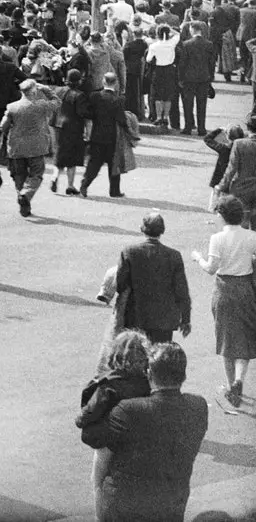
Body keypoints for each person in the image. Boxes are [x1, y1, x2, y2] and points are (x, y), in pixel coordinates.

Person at [80, 342, 208, 522]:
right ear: (184, 374)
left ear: (149, 374)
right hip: (171, 504)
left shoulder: (127, 410)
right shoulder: (199, 406)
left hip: (123, 508)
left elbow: (94, 448)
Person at [190, 194, 256, 407]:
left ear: (222, 215)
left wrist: (198, 258)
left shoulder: (217, 239)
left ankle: (231, 387)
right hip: (246, 289)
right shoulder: (251, 236)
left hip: (224, 291)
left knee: (227, 340)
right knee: (244, 338)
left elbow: (211, 269)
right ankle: (239, 380)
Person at [76, 329, 151, 499]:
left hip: (110, 439)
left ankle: (99, 505)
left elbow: (91, 411)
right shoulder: (147, 382)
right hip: (140, 439)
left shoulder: (109, 385)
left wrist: (80, 420)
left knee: (98, 478)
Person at [112, 210, 192, 344]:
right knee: (158, 357)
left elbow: (120, 284)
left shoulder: (129, 252)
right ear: (162, 230)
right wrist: (186, 320)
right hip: (163, 320)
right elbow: (182, 291)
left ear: (142, 229)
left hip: (135, 317)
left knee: (135, 357)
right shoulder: (174, 256)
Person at [0, 78, 55, 218]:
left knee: (19, 176)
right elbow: (57, 102)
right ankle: (26, 194)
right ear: (34, 91)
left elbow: (2, 126)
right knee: (36, 174)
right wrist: (46, 89)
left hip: (16, 147)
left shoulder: (12, 107)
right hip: (36, 147)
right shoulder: (41, 105)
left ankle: (24, 203)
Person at [81, 74, 129, 198]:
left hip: (96, 135)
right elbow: (121, 119)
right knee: (114, 165)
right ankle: (114, 191)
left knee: (94, 163)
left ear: (103, 81)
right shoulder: (118, 100)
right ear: (116, 83)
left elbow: (88, 112)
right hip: (112, 137)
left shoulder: (95, 96)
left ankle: (85, 184)